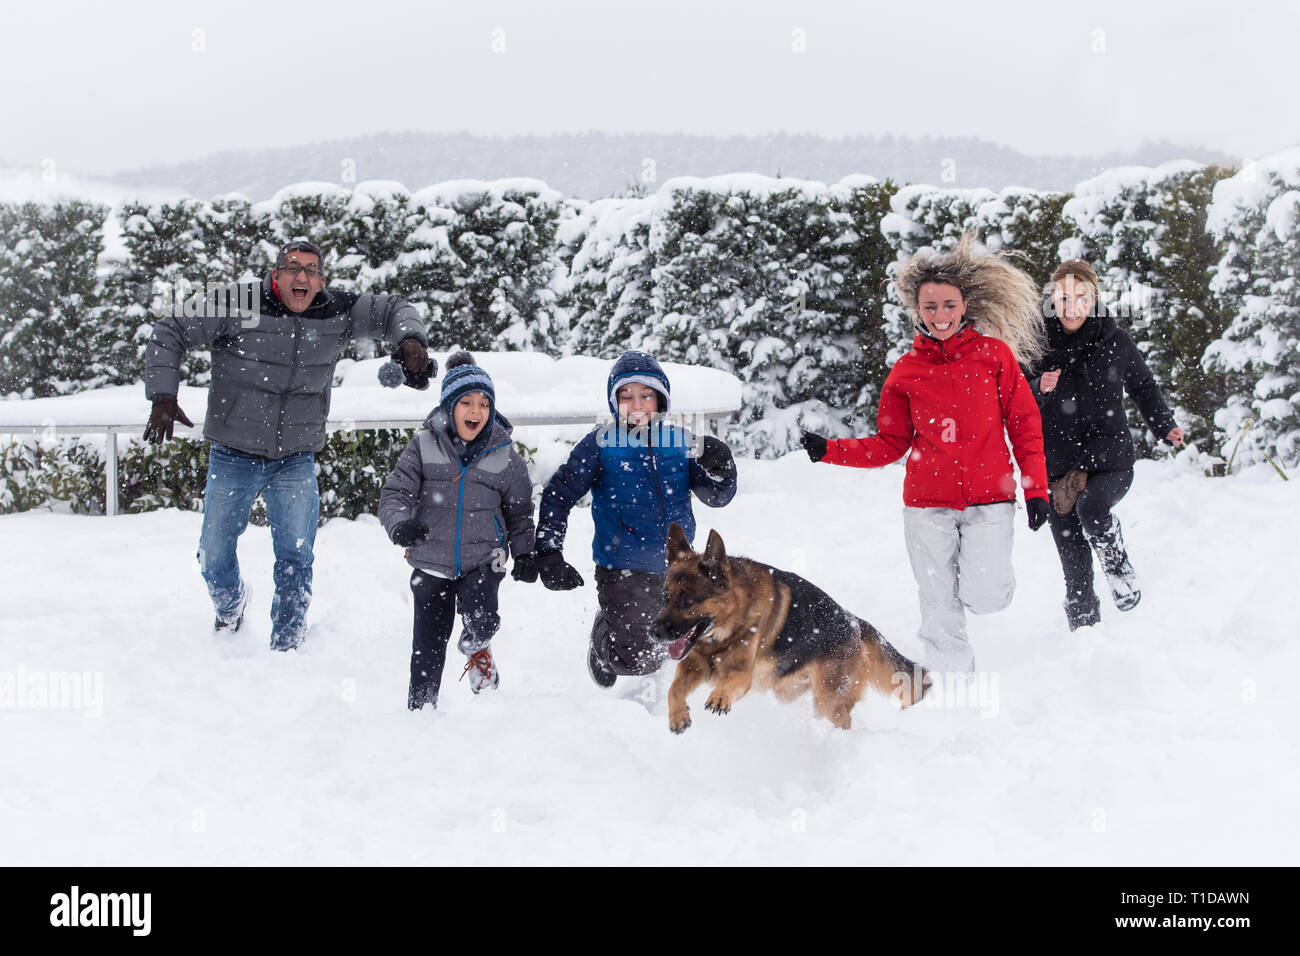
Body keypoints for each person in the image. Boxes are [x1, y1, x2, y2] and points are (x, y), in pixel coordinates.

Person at [143, 239, 433, 650]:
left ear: (321, 280)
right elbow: (171, 327)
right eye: (293, 268)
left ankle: (288, 644)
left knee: (296, 557)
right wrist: (162, 396)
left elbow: (393, 309)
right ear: (275, 274)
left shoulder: (337, 311)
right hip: (233, 453)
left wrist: (411, 341)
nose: (302, 277)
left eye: (311, 270)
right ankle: (230, 606)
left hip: (295, 458)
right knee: (213, 554)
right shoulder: (235, 303)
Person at [800, 233, 1050, 676]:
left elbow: (1025, 427)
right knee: (938, 605)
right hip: (926, 505)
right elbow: (890, 444)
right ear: (917, 310)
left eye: (948, 305)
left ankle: (990, 591)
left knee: (986, 597)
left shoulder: (995, 357)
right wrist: (831, 451)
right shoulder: (906, 372)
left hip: (990, 499)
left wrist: (1036, 490)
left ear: (965, 306)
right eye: (930, 307)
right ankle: (956, 691)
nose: (940, 316)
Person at [522, 350, 738, 687]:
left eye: (646, 395)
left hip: (677, 568)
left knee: (680, 641)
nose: (636, 405)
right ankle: (603, 639)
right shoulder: (600, 444)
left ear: (661, 399)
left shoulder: (680, 443)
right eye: (626, 396)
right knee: (637, 661)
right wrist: (549, 550)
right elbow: (559, 494)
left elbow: (717, 497)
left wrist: (723, 469)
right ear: (614, 402)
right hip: (621, 566)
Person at [1031, 260, 1184, 629]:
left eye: (1081, 296)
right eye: (1063, 296)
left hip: (1109, 459)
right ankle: (1085, 634)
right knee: (1073, 564)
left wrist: (1165, 426)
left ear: (1094, 299)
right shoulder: (1034, 342)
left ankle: (1117, 564)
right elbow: (1013, 395)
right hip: (1058, 465)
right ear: (1052, 299)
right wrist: (1038, 387)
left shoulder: (1115, 342)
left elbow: (1143, 387)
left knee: (1093, 510)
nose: (1072, 304)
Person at [380, 352, 538, 710]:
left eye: (484, 403)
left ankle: (476, 646)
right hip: (430, 558)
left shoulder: (505, 453)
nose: (476, 410)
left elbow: (519, 509)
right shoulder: (422, 445)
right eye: (466, 402)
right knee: (428, 644)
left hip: (483, 558)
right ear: (449, 406)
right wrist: (399, 525)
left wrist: (525, 552)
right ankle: (420, 710)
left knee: (483, 620)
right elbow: (395, 493)